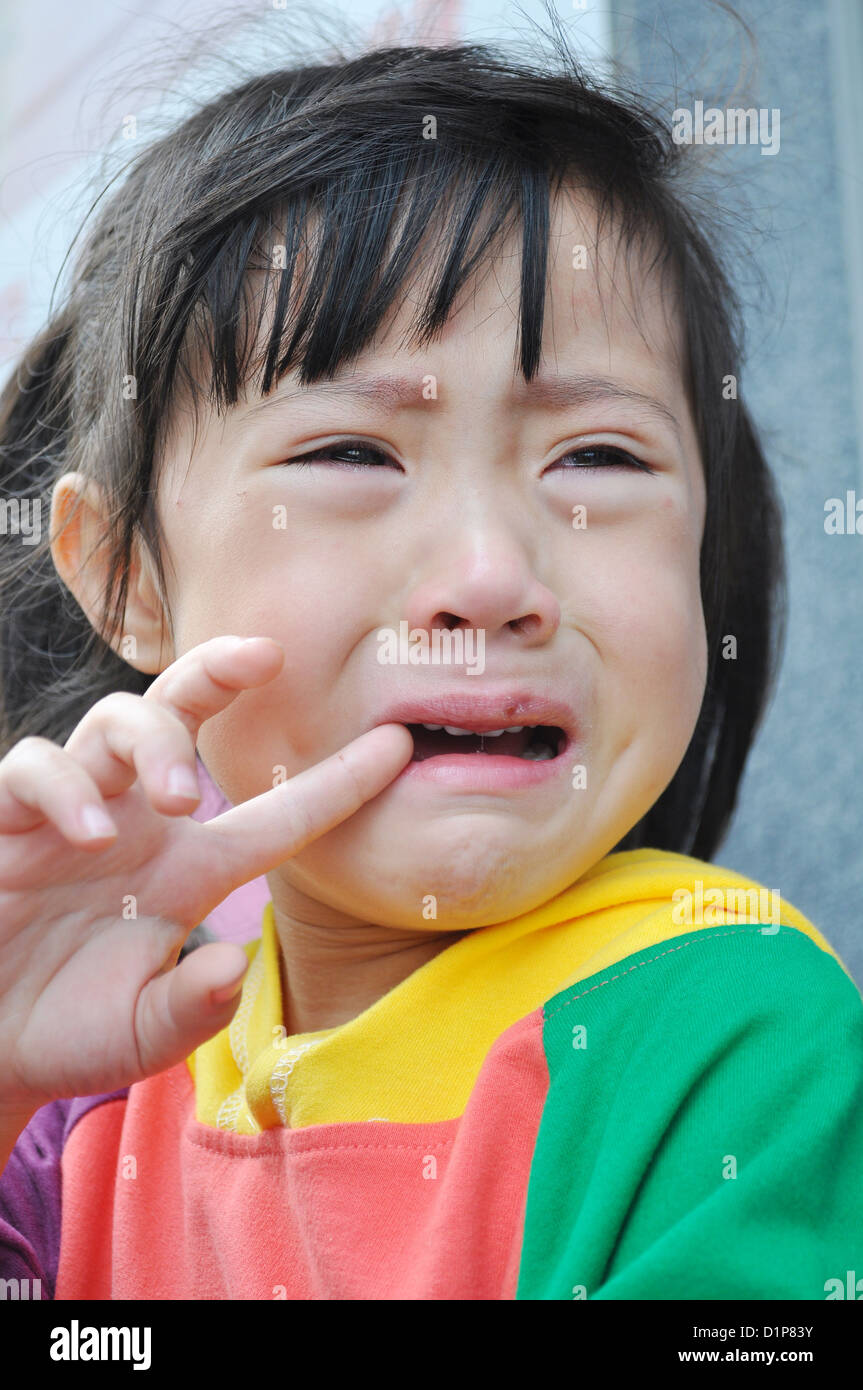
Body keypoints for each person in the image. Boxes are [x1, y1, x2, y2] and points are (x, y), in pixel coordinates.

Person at [0, 35, 861, 1301]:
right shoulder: (87, 1105)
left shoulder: (731, 1031)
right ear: (127, 571)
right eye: (350, 452)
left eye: (596, 460)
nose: (486, 576)